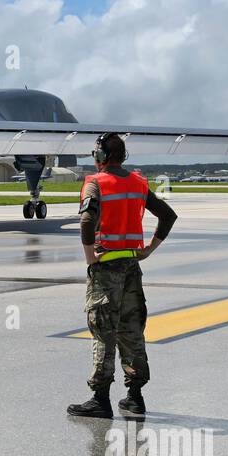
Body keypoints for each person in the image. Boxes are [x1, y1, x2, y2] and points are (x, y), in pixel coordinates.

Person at [67, 133, 177, 419]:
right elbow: (168, 215)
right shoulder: (138, 183)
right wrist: (149, 249)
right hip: (131, 267)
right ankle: (135, 396)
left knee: (103, 332)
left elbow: (87, 220)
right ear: (123, 155)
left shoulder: (96, 183)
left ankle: (100, 399)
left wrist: (90, 258)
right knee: (131, 330)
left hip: (106, 269)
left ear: (100, 156)